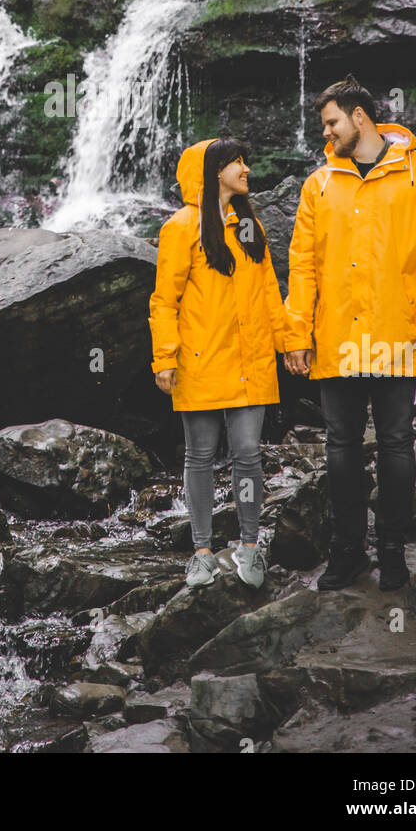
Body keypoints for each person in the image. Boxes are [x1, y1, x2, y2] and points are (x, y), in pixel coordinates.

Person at [284, 74, 416, 592]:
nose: (327, 132)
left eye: (332, 121)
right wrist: (297, 335)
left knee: (396, 443)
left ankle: (392, 551)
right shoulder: (318, 184)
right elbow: (302, 267)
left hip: (399, 332)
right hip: (337, 334)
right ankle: (347, 553)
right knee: (339, 445)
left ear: (359, 116)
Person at [149, 136, 286, 590]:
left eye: (245, 160)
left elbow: (269, 293)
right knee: (201, 456)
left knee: (247, 452)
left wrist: (290, 343)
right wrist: (165, 357)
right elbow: (164, 301)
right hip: (201, 360)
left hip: (251, 360)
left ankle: (250, 545)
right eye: (236, 162)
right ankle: (203, 551)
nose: (246, 169)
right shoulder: (181, 227)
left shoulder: (250, 227)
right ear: (213, 173)